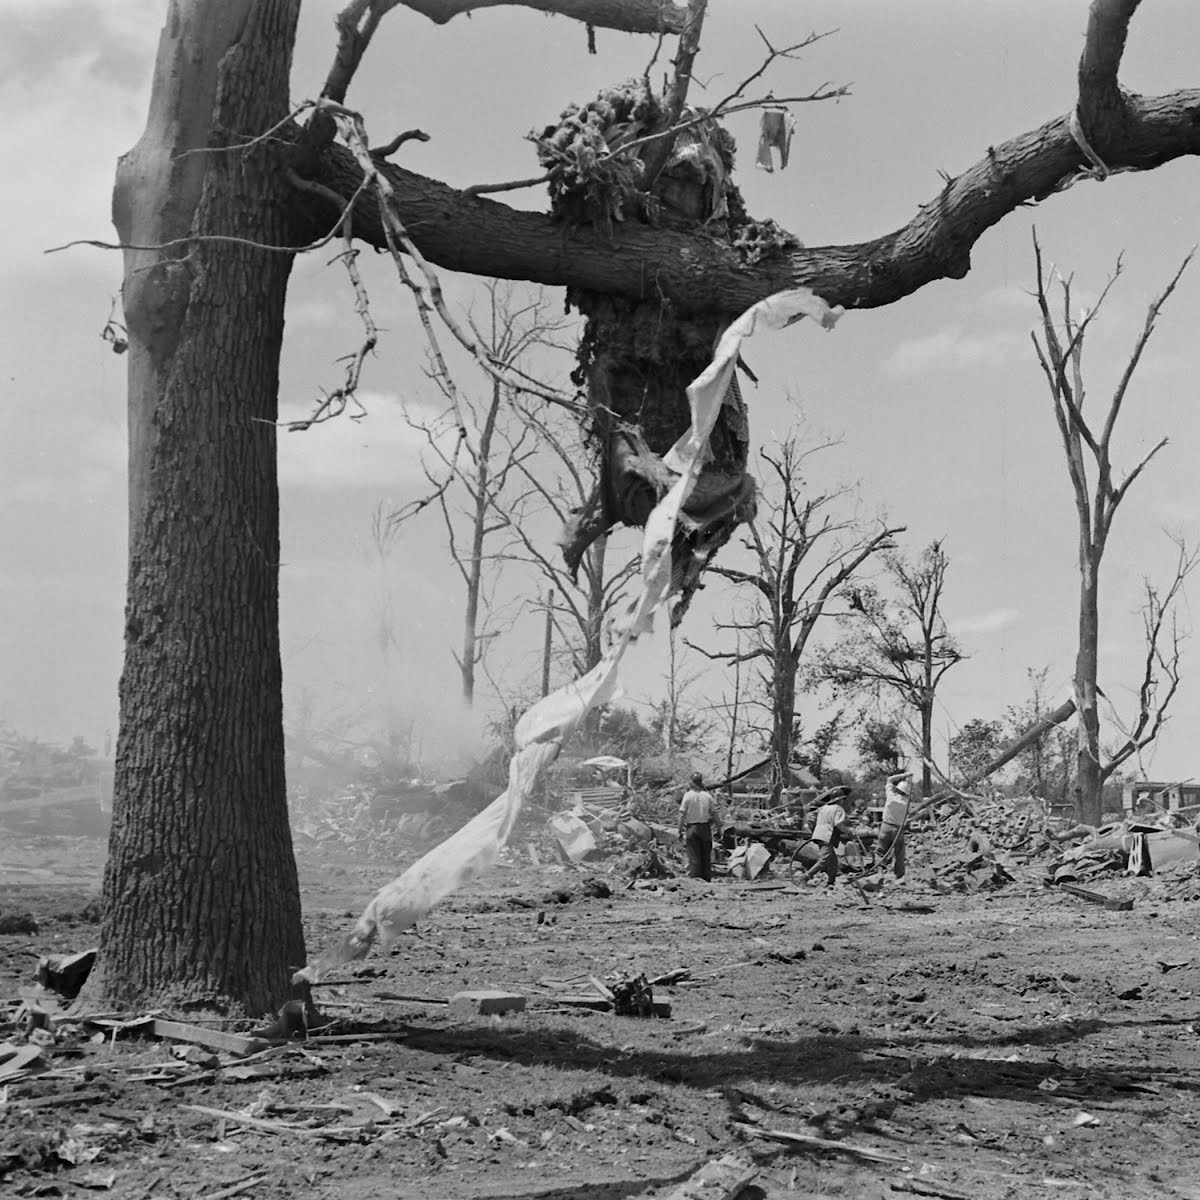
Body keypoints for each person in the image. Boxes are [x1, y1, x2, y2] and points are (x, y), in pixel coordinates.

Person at [806, 786, 856, 887]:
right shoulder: (838, 808)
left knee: (833, 862)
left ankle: (831, 882)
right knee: (824, 859)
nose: (843, 801)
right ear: (839, 800)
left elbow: (812, 818)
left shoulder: (823, 808)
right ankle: (805, 876)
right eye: (842, 799)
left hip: (818, 834)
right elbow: (838, 823)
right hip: (827, 836)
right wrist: (847, 831)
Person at [677, 772, 722, 881]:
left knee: (694, 856)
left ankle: (696, 880)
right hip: (705, 828)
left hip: (692, 828)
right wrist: (719, 828)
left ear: (691, 782)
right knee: (706, 856)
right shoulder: (707, 796)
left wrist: (679, 830)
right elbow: (715, 814)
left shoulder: (688, 796)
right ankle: (706, 879)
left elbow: (682, 815)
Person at [877, 771, 912, 880]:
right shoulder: (906, 803)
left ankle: (880, 873)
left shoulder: (891, 796)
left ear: (897, 789)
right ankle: (899, 876)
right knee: (899, 853)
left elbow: (889, 780)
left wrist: (904, 775)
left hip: (885, 827)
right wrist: (910, 782)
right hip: (898, 829)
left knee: (880, 851)